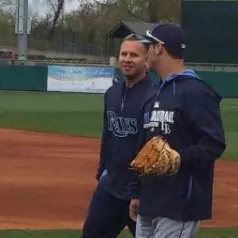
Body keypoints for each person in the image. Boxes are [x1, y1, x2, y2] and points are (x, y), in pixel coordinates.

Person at [129, 23, 226, 238]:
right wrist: (137, 193)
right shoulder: (155, 91)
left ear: (159, 48)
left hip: (178, 203)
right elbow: (144, 147)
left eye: (149, 45)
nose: (146, 50)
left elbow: (214, 143)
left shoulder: (196, 91)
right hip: (150, 199)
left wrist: (179, 158)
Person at [81, 34, 157, 238]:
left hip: (141, 191)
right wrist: (102, 172)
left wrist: (139, 190)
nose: (127, 59)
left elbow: (153, 148)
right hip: (111, 186)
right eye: (124, 54)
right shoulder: (112, 93)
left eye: (134, 55)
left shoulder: (155, 95)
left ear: (146, 61)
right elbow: (108, 135)